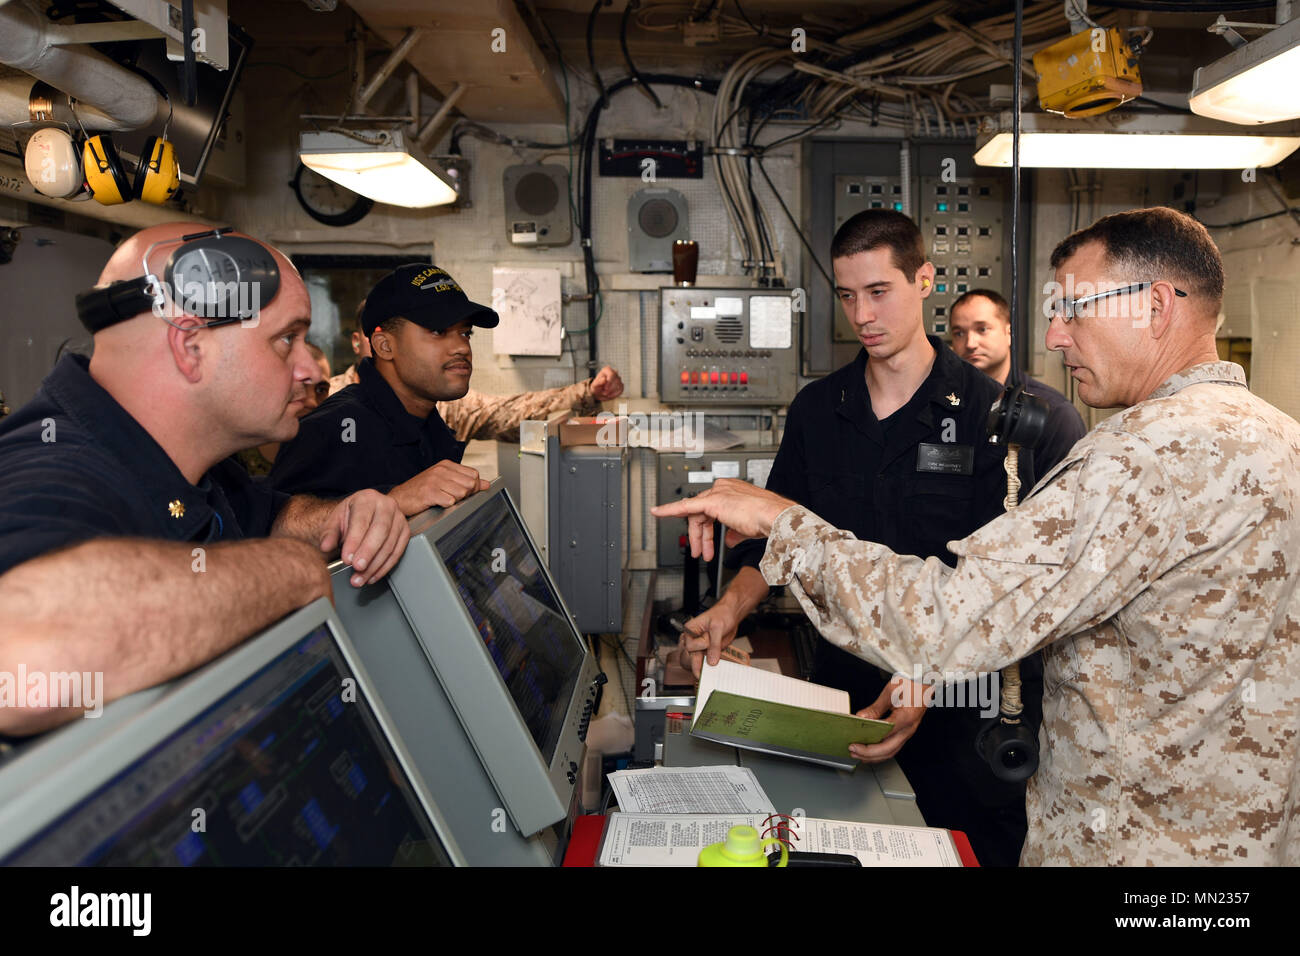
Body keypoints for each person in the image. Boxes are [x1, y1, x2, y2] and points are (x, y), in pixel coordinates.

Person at [653, 207, 1300, 866]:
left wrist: (778, 520)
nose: (1054, 335)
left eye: (1073, 309)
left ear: (1155, 306)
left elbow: (953, 618)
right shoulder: (1285, 443)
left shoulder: (1137, 458)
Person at [681, 210, 1042, 867]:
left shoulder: (989, 415)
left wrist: (926, 676)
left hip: (957, 716)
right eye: (848, 296)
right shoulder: (820, 411)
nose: (863, 314)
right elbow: (782, 536)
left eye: (879, 292)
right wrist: (729, 610)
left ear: (925, 280)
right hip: (843, 702)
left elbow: (1000, 587)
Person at [0, 223, 409, 737]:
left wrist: (344, 514)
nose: (310, 368)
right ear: (190, 346)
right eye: (287, 339)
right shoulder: (52, 467)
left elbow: (269, 517)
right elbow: (24, 657)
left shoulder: (188, 462)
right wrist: (295, 571)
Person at [270, 264, 624, 513]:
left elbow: (508, 413)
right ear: (384, 346)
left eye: (465, 333)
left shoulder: (427, 418)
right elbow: (277, 536)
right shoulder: (334, 427)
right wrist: (389, 502)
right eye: (438, 331)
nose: (461, 347)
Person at [328, 290, 622, 444]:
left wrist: (587, 391)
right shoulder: (324, 400)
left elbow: (508, 413)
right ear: (359, 342)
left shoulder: (440, 404)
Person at [949, 288, 1086, 474]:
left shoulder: (1054, 414)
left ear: (1009, 333)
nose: (970, 343)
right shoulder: (944, 407)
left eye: (982, 329)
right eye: (959, 333)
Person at [237, 342, 332, 476]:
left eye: (321, 390)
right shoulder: (237, 449)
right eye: (301, 386)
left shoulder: (333, 449)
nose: (311, 402)